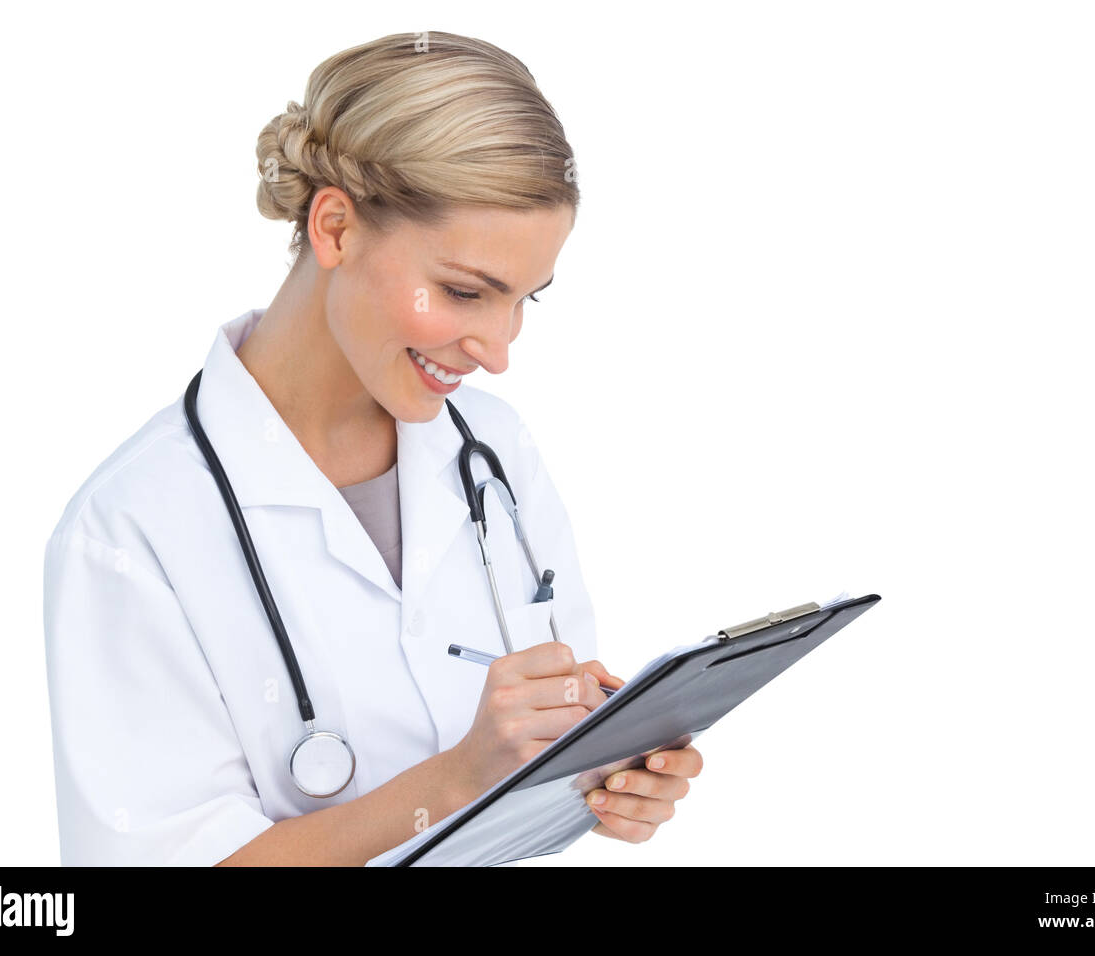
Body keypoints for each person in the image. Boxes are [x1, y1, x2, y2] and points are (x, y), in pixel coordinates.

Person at [42, 31, 702, 866]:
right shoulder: (133, 530)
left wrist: (602, 773)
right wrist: (458, 777)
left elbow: (539, 752)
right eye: (466, 292)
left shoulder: (492, 449)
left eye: (524, 299)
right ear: (335, 227)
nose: (498, 349)